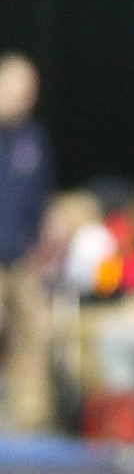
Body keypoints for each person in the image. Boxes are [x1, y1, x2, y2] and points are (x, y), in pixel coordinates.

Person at [0, 52, 55, 430]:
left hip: (20, 257)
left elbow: (41, 199)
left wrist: (40, 247)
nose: (24, 96)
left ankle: (29, 423)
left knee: (34, 334)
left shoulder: (33, 139)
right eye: (17, 86)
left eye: (30, 90)